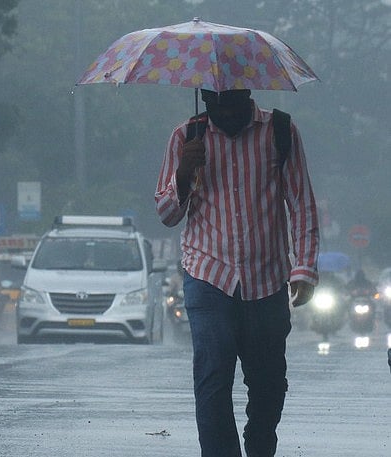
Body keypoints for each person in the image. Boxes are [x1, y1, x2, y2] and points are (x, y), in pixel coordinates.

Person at [154, 89, 319, 457]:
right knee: (213, 375)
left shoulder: (280, 130)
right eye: (216, 105)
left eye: (232, 104)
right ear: (206, 99)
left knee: (268, 385)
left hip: (267, 277)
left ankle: (260, 446)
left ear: (247, 94)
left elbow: (301, 202)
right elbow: (167, 214)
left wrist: (304, 267)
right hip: (208, 275)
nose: (225, 113)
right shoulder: (186, 137)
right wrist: (183, 174)